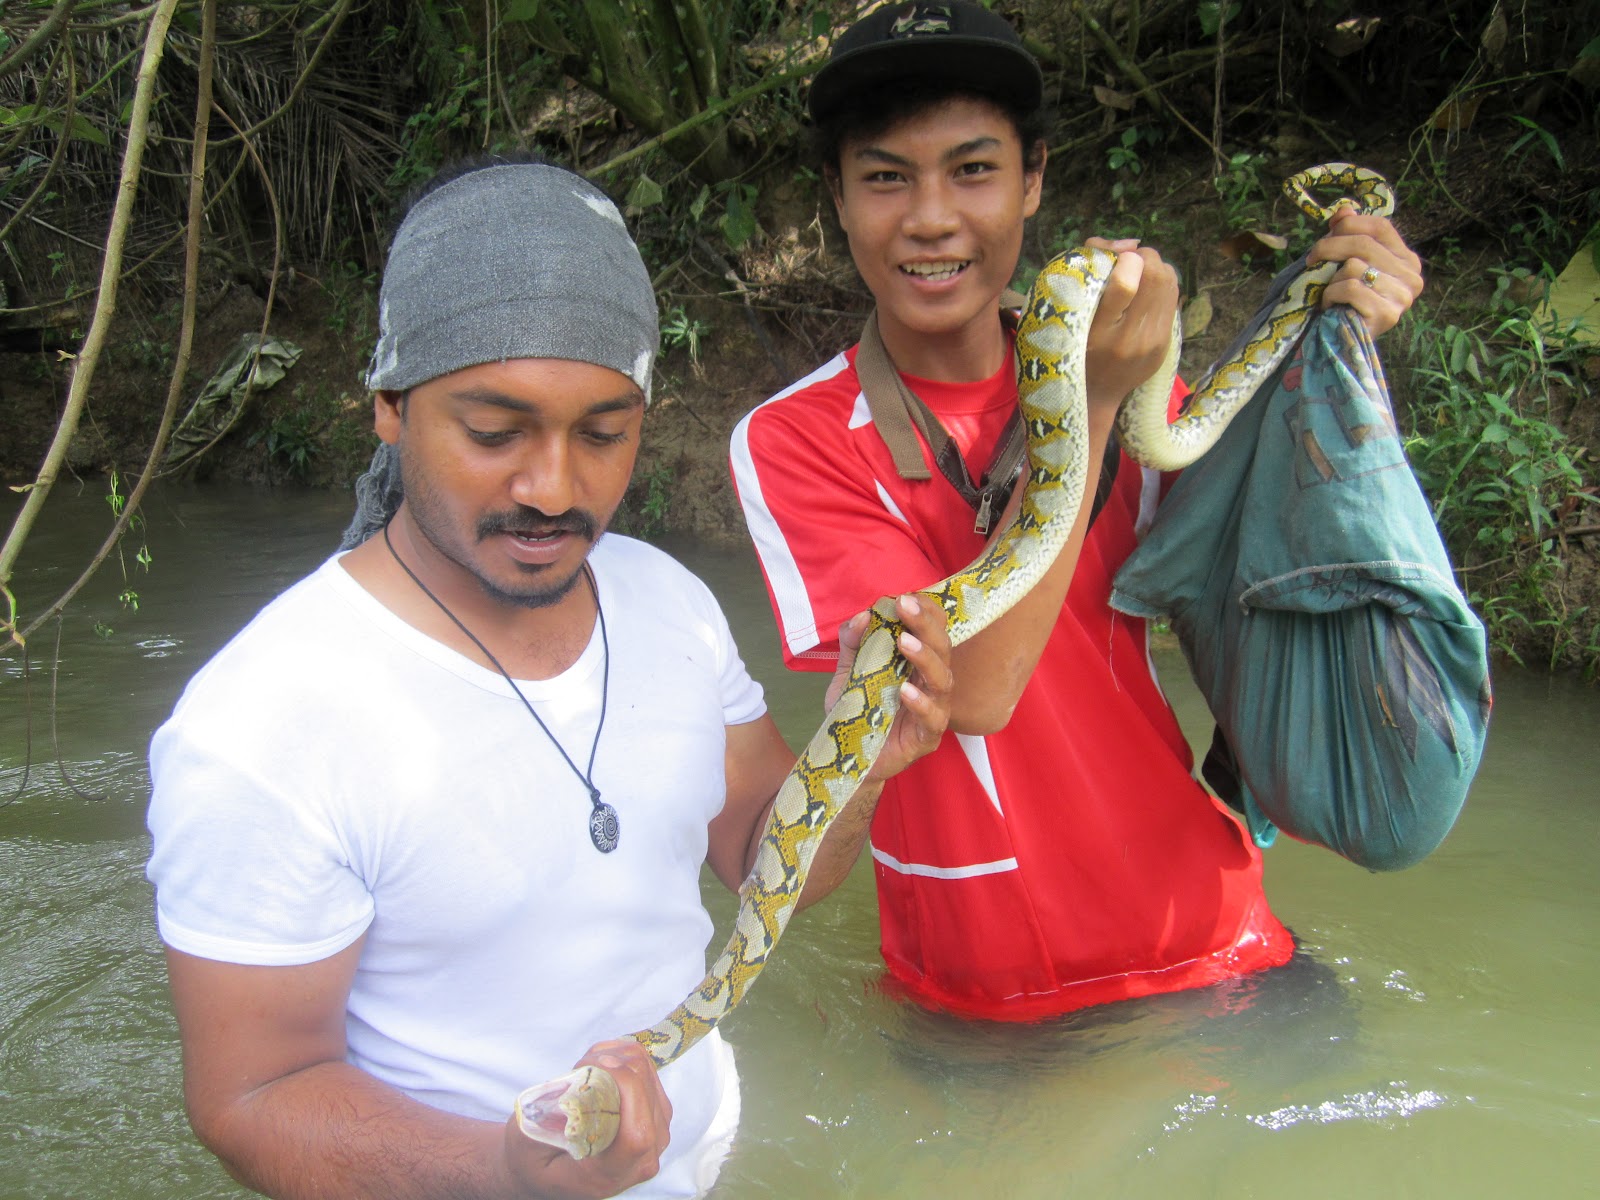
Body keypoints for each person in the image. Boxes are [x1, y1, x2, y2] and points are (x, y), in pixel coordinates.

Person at [145, 157, 953, 1200]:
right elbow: (254, 1098)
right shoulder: (259, 724)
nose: (553, 489)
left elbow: (766, 864)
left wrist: (859, 765)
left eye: (604, 433)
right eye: (494, 432)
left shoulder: (666, 601)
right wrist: (504, 1171)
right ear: (388, 409)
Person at [730, 2, 1427, 1021]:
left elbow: (1289, 584)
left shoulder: (1154, 396)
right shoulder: (794, 441)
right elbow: (964, 693)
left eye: (972, 170)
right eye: (885, 176)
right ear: (836, 198)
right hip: (995, 991)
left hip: (1218, 931)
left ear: (1034, 180)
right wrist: (1091, 397)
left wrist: (1340, 339)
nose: (930, 218)